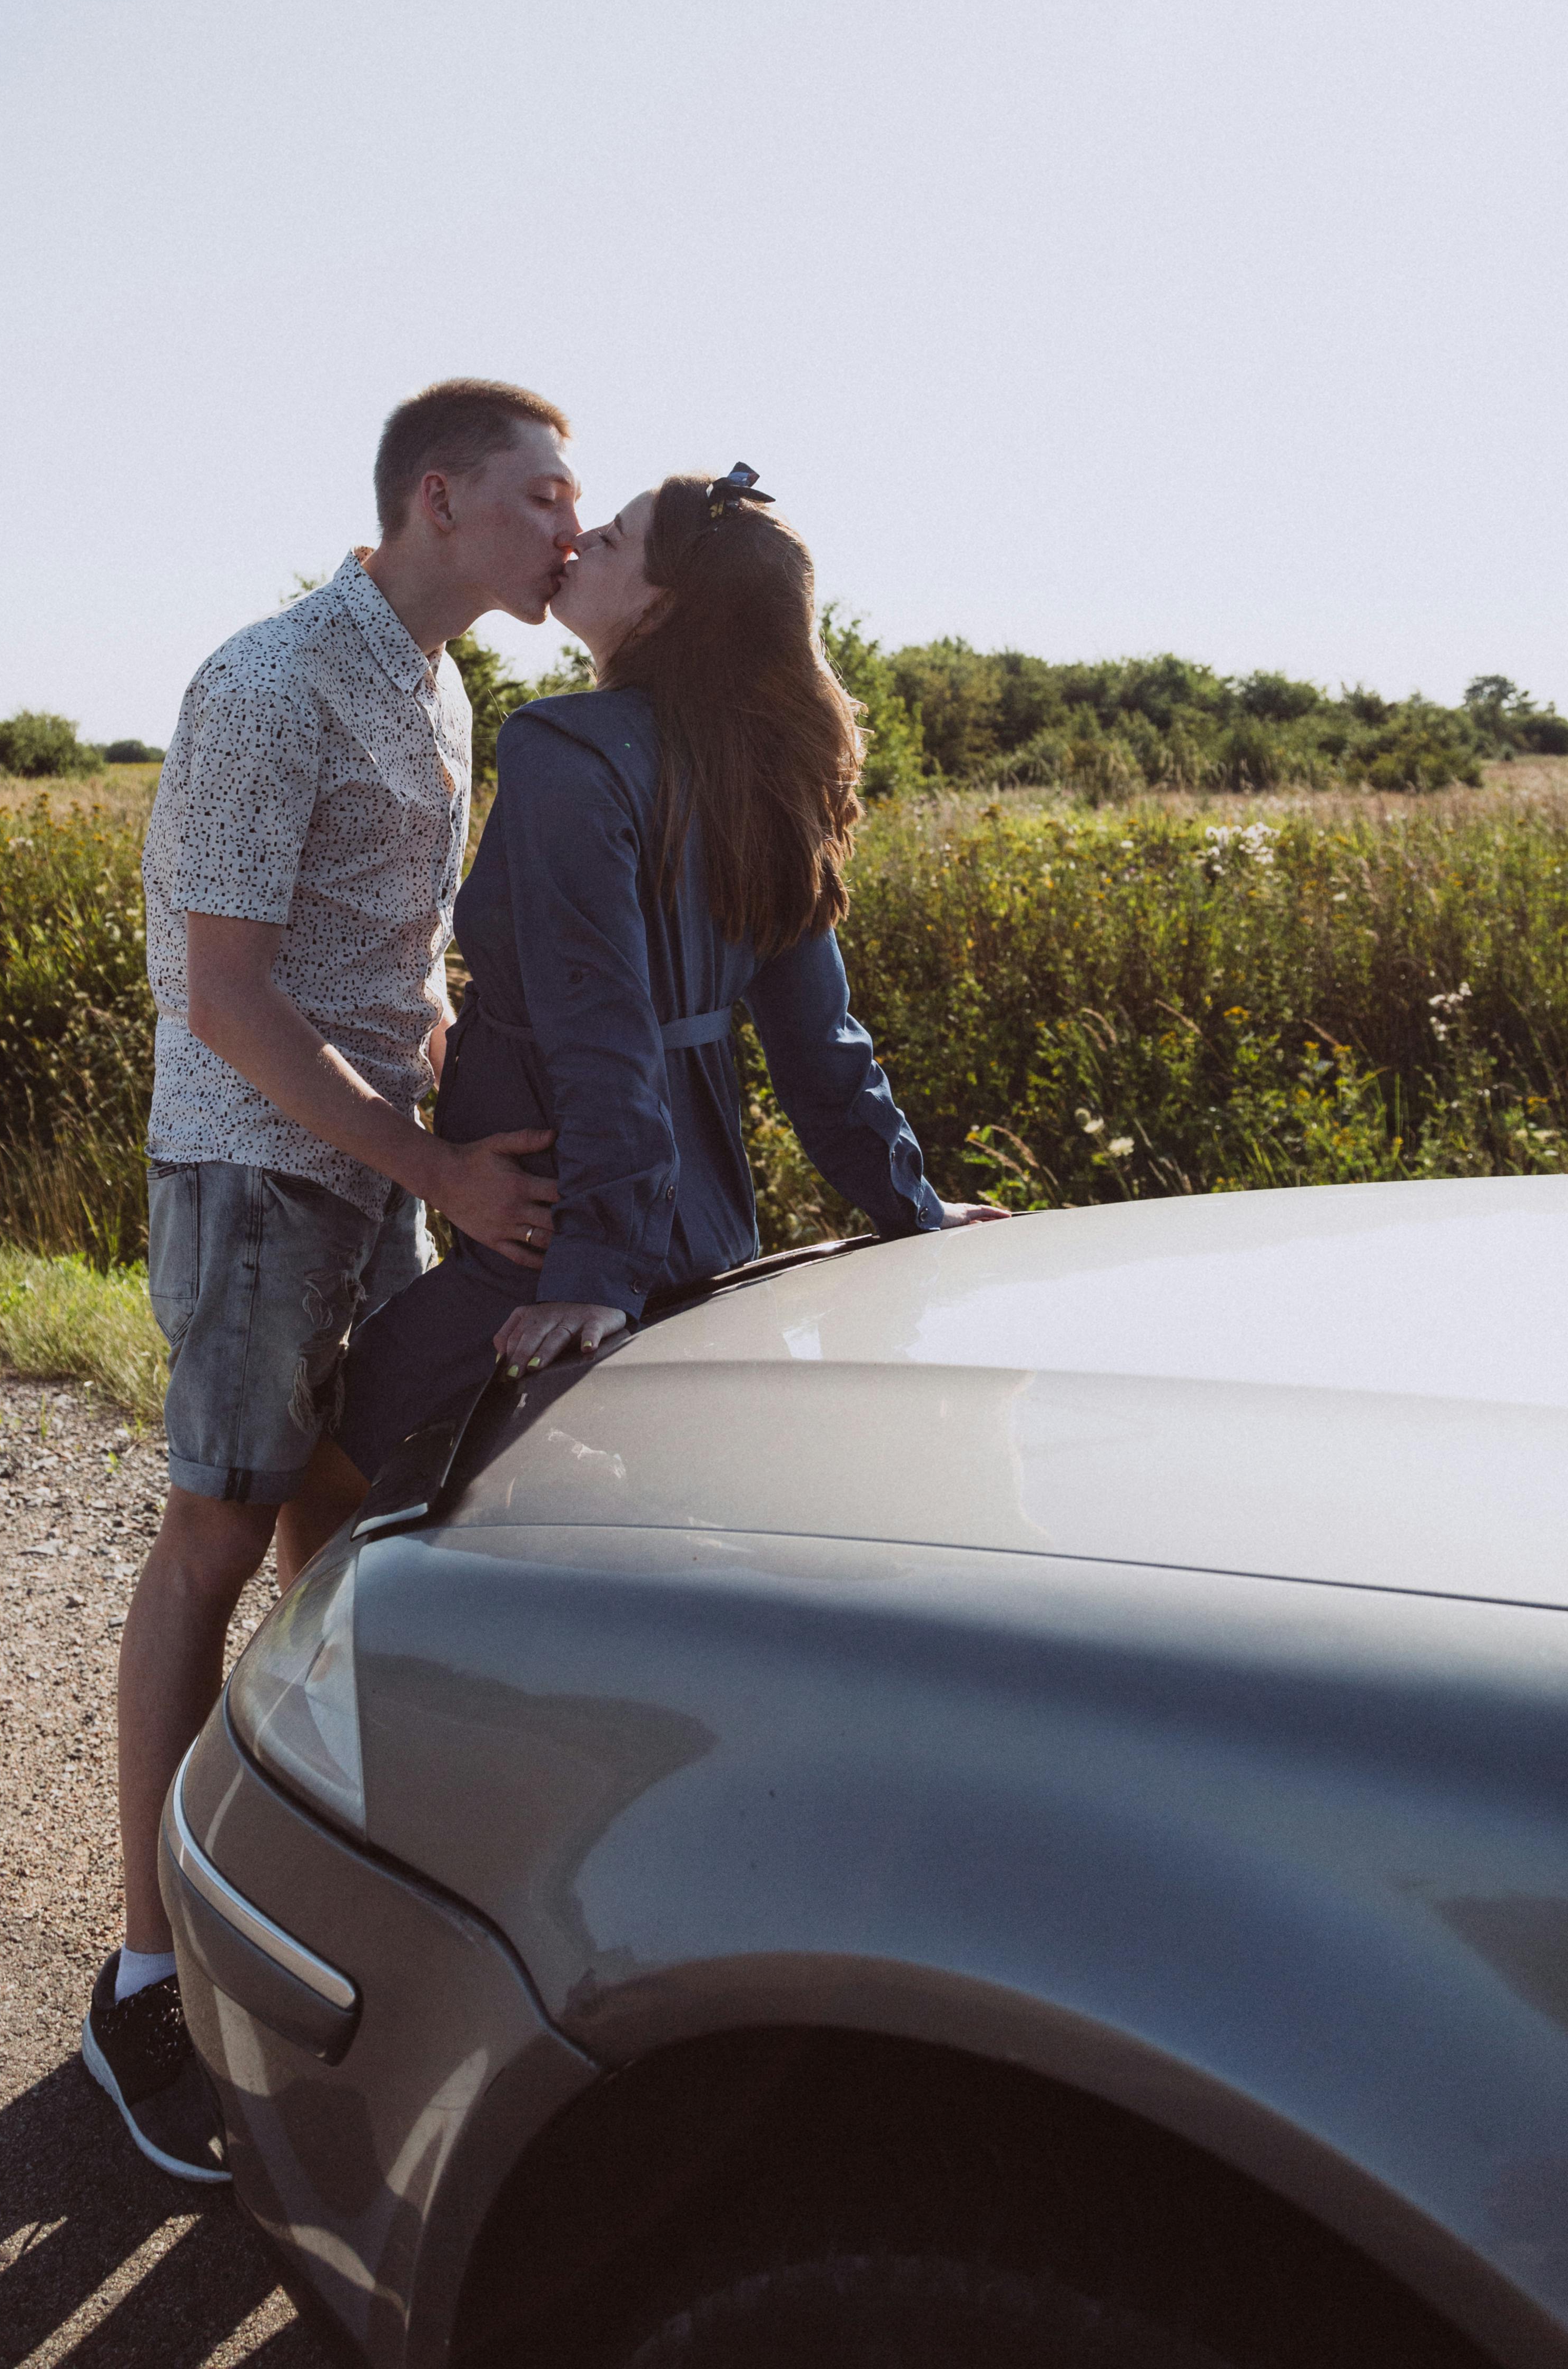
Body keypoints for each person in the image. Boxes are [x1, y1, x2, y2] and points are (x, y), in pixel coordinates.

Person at [82, 377, 581, 2183]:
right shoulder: (270, 681)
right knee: (217, 1533)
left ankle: (280, 1897)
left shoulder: (446, 686)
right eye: (542, 496)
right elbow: (224, 997)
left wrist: (441, 1043)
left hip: (365, 1164)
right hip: (256, 1170)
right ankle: (141, 1977)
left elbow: (377, 937)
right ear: (439, 498)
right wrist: (437, 1166)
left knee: (342, 1522)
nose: (569, 529)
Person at [334, 463, 1005, 1488]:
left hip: (560, 1232)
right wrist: (908, 1202)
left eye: (611, 538)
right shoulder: (763, 769)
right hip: (704, 1234)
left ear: (664, 604)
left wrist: (598, 1267)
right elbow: (823, 1045)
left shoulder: (563, 745)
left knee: (344, 1443)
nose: (578, 541)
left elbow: (598, 1020)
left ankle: (338, 1655)